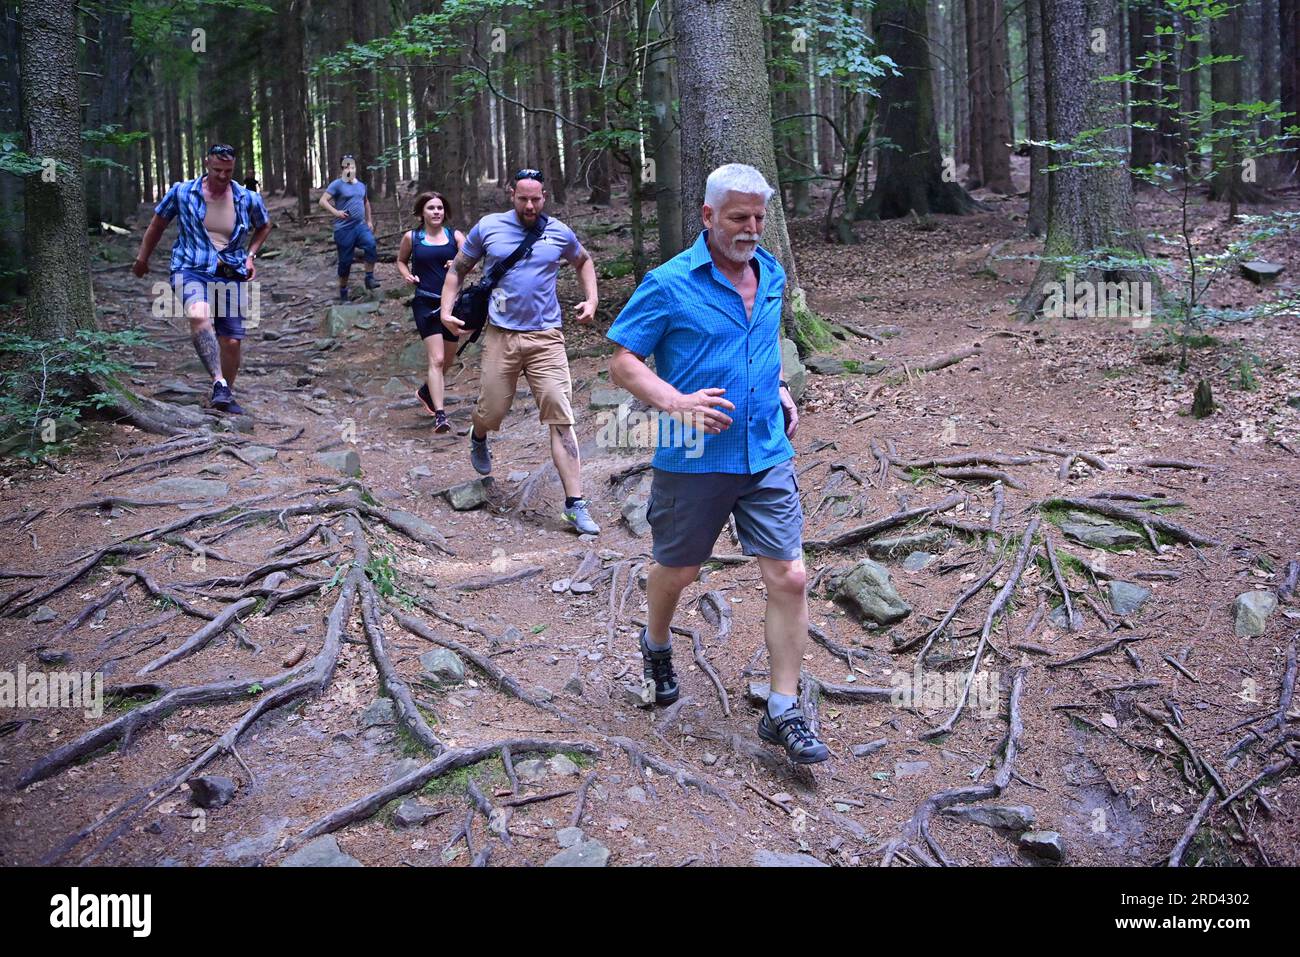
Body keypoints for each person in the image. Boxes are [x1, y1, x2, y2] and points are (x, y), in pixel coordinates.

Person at [605, 163, 828, 764]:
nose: (751, 229)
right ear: (707, 216)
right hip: (695, 459)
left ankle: (783, 711)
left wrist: (778, 384)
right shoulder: (669, 283)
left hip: (765, 453)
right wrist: (674, 401)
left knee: (791, 576)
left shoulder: (773, 274)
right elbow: (623, 361)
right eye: (738, 218)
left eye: (758, 218)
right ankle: (655, 645)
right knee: (677, 573)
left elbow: (762, 344)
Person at [441, 168, 602, 536]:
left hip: (546, 337)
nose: (530, 205)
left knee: (561, 417)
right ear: (511, 195)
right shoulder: (488, 227)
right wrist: (446, 312)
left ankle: (575, 504)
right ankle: (478, 435)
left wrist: (591, 299)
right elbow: (459, 269)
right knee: (492, 408)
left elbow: (584, 261)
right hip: (501, 335)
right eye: (523, 198)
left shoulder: (559, 231)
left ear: (545, 196)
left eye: (536, 199)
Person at [132, 143, 271, 416]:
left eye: (228, 170)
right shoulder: (183, 192)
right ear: (207, 165)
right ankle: (218, 381)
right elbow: (157, 225)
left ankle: (223, 395)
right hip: (190, 268)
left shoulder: (246, 198)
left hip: (230, 272)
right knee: (199, 314)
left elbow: (264, 225)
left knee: (231, 340)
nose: (222, 175)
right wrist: (142, 259)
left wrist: (250, 255)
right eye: (217, 169)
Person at [397, 191, 465, 433]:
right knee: (436, 359)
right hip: (425, 303)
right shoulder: (412, 238)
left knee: (447, 359)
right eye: (431, 208)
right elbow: (401, 261)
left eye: (439, 208)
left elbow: (471, 257)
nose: (436, 212)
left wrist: (458, 261)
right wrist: (406, 275)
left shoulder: (454, 235)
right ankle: (440, 415)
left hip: (452, 305)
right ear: (421, 213)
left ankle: (426, 392)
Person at [319, 154, 378, 302]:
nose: (350, 169)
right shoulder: (337, 184)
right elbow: (322, 201)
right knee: (345, 262)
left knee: (371, 245)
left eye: (352, 166)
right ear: (342, 169)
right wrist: (336, 212)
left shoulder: (361, 185)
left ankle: (369, 278)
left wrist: (369, 220)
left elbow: (366, 203)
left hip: (360, 226)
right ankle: (343, 292)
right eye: (346, 167)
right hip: (343, 229)